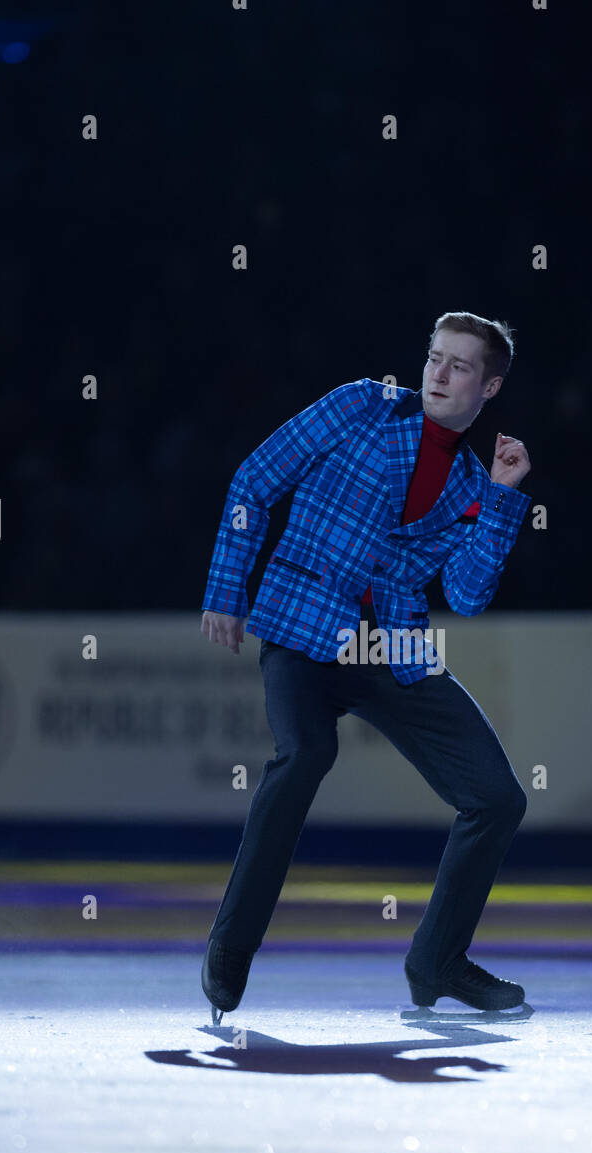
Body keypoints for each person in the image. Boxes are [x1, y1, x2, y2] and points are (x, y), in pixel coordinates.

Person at [199, 311, 531, 1021]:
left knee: (498, 798)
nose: (439, 374)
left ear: (490, 385)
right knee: (305, 754)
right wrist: (227, 592)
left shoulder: (474, 483)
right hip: (301, 622)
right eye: (435, 358)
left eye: (460, 365)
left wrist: (502, 499)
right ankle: (232, 946)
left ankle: (437, 961)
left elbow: (468, 596)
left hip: (394, 647)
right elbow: (254, 481)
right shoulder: (360, 406)